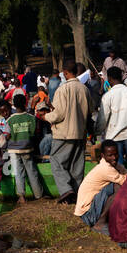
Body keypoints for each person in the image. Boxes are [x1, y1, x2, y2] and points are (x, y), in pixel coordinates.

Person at [37, 60, 90, 205]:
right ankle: (76, 193)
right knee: (77, 165)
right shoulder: (84, 89)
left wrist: (45, 116)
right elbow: (89, 110)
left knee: (56, 160)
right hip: (80, 132)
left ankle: (66, 190)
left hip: (64, 133)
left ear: (66, 73)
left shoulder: (63, 89)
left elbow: (58, 115)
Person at [4, 93, 47, 205]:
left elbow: (7, 135)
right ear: (25, 103)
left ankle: (22, 197)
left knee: (18, 173)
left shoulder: (10, 120)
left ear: (13, 104)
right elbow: (34, 134)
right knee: (32, 172)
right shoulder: (31, 118)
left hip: (13, 150)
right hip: (27, 148)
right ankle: (38, 195)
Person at [94, 66, 127, 166]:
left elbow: (103, 119)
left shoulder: (108, 96)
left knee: (117, 170)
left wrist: (96, 132)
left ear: (109, 79)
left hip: (114, 137)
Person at [74, 140, 126, 227]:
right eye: (110, 155)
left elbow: (125, 173)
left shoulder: (114, 165)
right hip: (87, 214)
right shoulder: (105, 168)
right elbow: (126, 181)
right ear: (103, 155)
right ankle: (101, 222)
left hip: (92, 208)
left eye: (116, 154)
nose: (114, 157)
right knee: (117, 186)